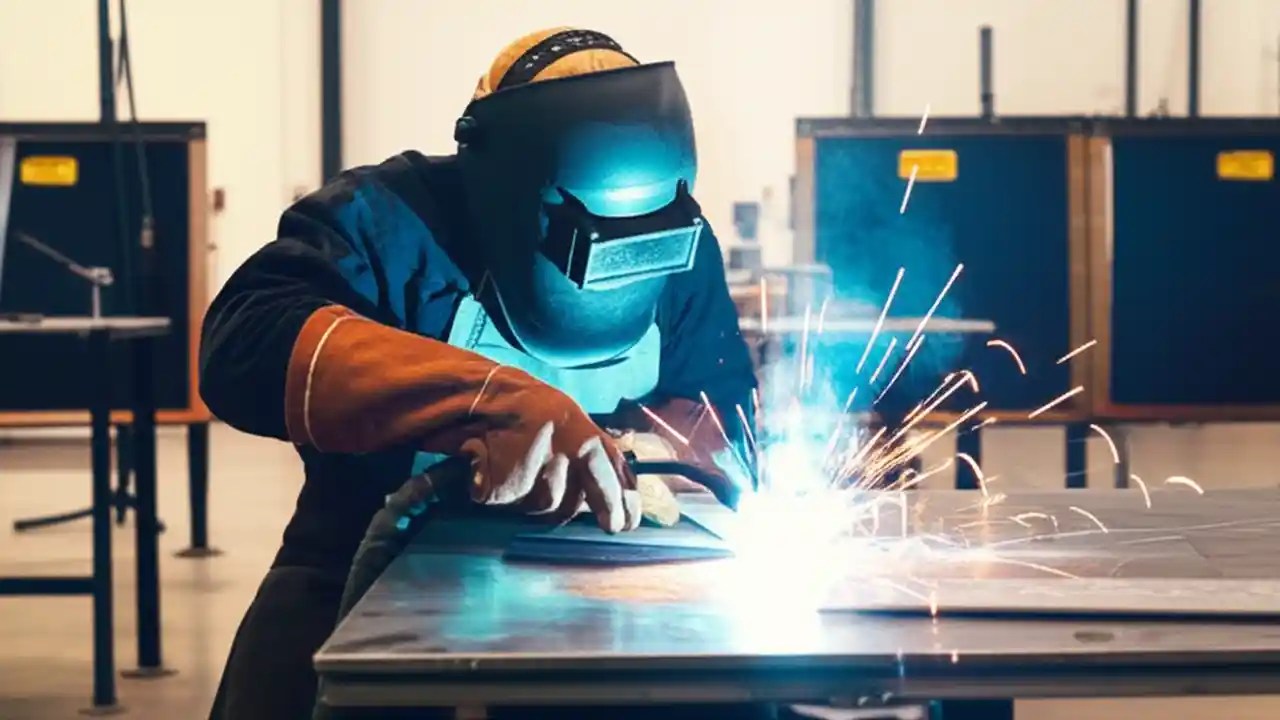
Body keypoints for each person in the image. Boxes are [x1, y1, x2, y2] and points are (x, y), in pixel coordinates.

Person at [200, 27, 757, 719]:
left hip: (608, 589)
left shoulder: (681, 242)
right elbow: (241, 345)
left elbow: (715, 412)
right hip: (357, 574)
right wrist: (486, 400)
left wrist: (656, 463)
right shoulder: (389, 220)